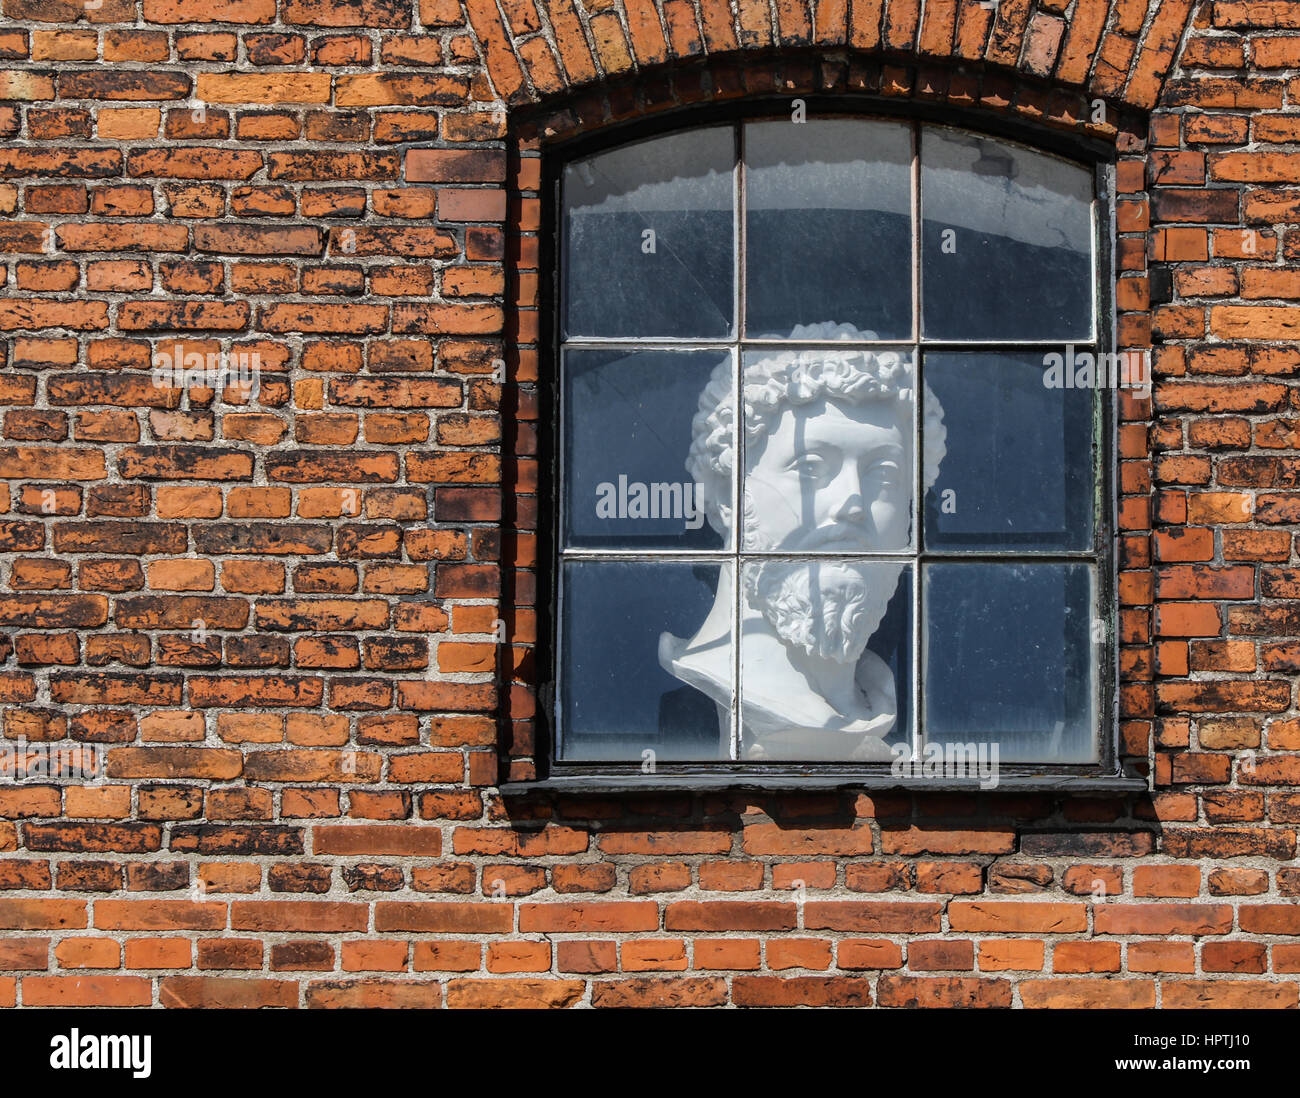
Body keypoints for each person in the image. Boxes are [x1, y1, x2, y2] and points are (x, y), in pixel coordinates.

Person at [659, 322, 947, 760]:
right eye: (812, 468)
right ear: (727, 494)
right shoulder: (713, 689)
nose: (852, 501)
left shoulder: (877, 704)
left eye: (883, 475)